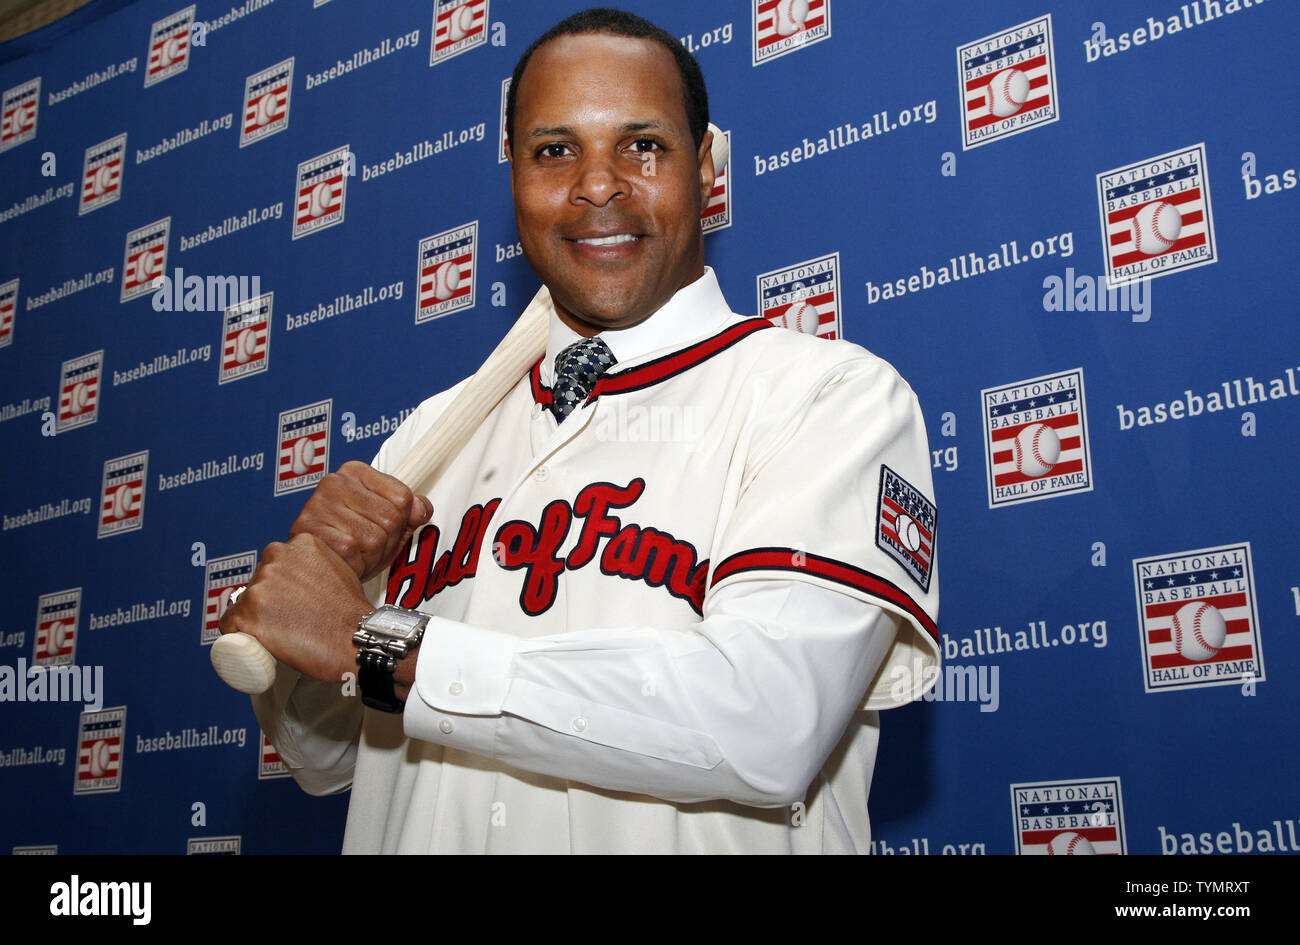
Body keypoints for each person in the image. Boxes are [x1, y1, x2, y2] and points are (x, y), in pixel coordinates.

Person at [222, 8, 940, 854]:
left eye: (643, 145)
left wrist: (382, 641)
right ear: (515, 177)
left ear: (707, 169)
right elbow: (326, 757)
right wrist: (325, 603)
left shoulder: (827, 397)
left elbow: (766, 723)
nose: (598, 185)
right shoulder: (431, 436)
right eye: (555, 150)